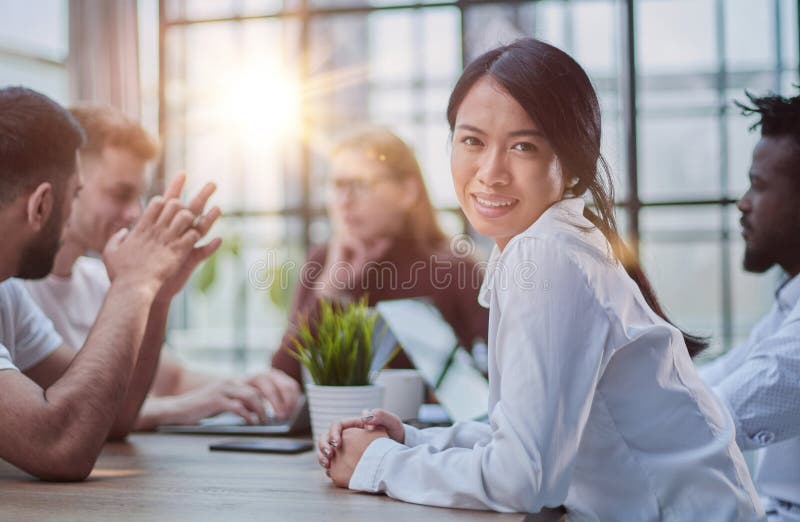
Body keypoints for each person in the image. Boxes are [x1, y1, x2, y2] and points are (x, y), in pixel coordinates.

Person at [316, 39, 764, 520]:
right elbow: (524, 435)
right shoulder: (558, 244)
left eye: (523, 146)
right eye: (472, 141)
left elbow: (521, 481)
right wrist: (413, 438)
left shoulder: (546, 255)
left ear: (572, 167)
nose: (490, 173)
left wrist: (379, 463)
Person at [23, 103, 300, 429]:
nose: (133, 213)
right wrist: (190, 405)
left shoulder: (99, 279)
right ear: (74, 181)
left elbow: (170, 378)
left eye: (140, 197)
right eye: (120, 194)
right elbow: (81, 405)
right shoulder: (17, 289)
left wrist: (246, 384)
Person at [0, 86, 218, 480]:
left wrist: (157, 293)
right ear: (41, 205)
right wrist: (133, 282)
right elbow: (60, 444)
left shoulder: (7, 292)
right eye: (75, 194)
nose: (69, 217)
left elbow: (110, 417)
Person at [271, 127, 488, 385]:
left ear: (407, 192)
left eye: (360, 185)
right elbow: (283, 379)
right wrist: (329, 292)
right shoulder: (323, 261)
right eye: (337, 185)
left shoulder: (454, 268)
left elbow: (496, 375)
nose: (344, 201)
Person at [699, 91, 800, 521]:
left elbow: (711, 416)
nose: (743, 203)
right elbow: (702, 384)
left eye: (758, 185)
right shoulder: (787, 308)